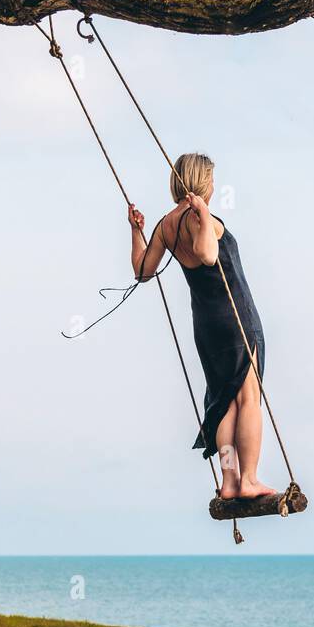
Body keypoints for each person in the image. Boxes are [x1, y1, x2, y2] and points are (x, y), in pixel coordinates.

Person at [128, 153, 276, 500]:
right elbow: (208, 255)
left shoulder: (166, 225)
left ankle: (229, 481)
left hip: (206, 326)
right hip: (235, 318)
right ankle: (250, 479)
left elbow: (142, 271)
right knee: (248, 397)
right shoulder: (198, 217)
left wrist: (137, 231)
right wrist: (205, 215)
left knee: (224, 403)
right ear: (203, 182)